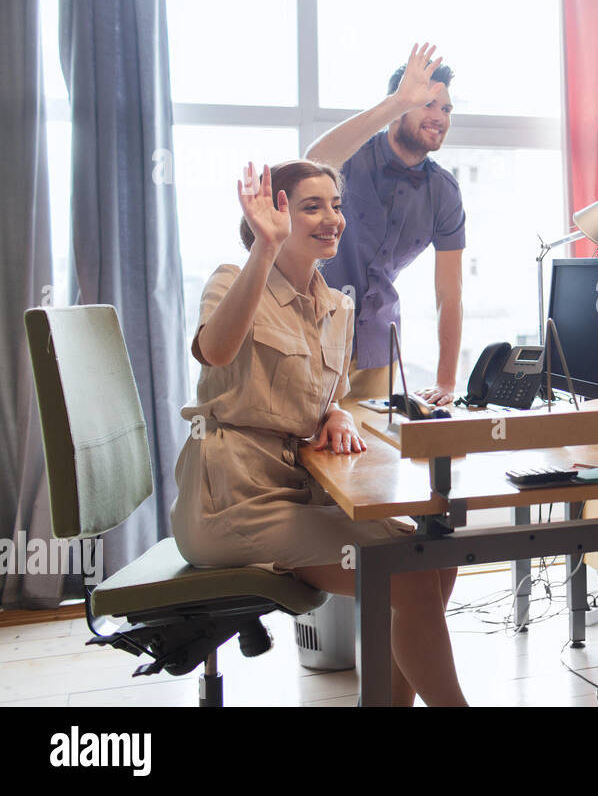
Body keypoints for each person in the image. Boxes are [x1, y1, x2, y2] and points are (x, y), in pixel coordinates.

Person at [171, 160, 467, 706]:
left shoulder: (338, 305)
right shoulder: (232, 280)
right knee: (414, 580)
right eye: (312, 206)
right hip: (232, 503)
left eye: (335, 204)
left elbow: (318, 391)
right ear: (274, 215)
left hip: (294, 490)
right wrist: (265, 247)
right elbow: (216, 351)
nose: (331, 217)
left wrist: (338, 413)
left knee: (436, 554)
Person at [307, 43, 465, 405]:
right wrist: (397, 101)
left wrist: (445, 382)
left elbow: (449, 291)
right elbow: (314, 160)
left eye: (446, 109)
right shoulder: (351, 156)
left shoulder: (444, 193)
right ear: (401, 105)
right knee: (310, 454)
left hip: (379, 348)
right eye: (427, 103)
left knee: (370, 455)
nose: (440, 116)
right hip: (314, 337)